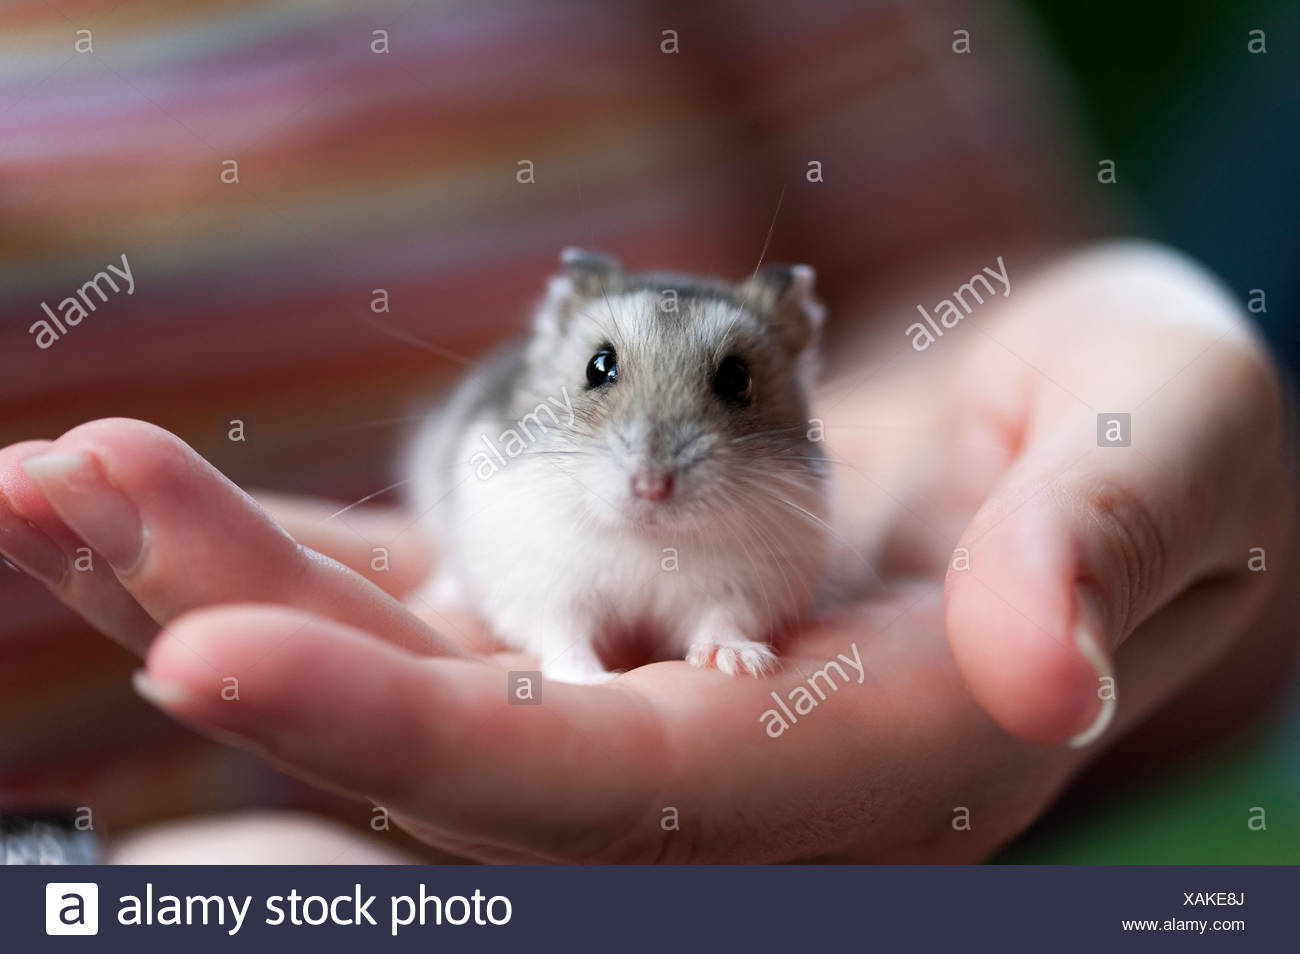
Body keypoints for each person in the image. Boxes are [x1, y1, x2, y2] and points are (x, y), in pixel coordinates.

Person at [0, 1, 1294, 862]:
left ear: (788, 362)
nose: (653, 454)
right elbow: (535, 580)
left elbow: (957, 267)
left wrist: (1107, 378)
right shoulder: (514, 449)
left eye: (728, 392)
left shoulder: (799, 501)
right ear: (569, 336)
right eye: (609, 376)